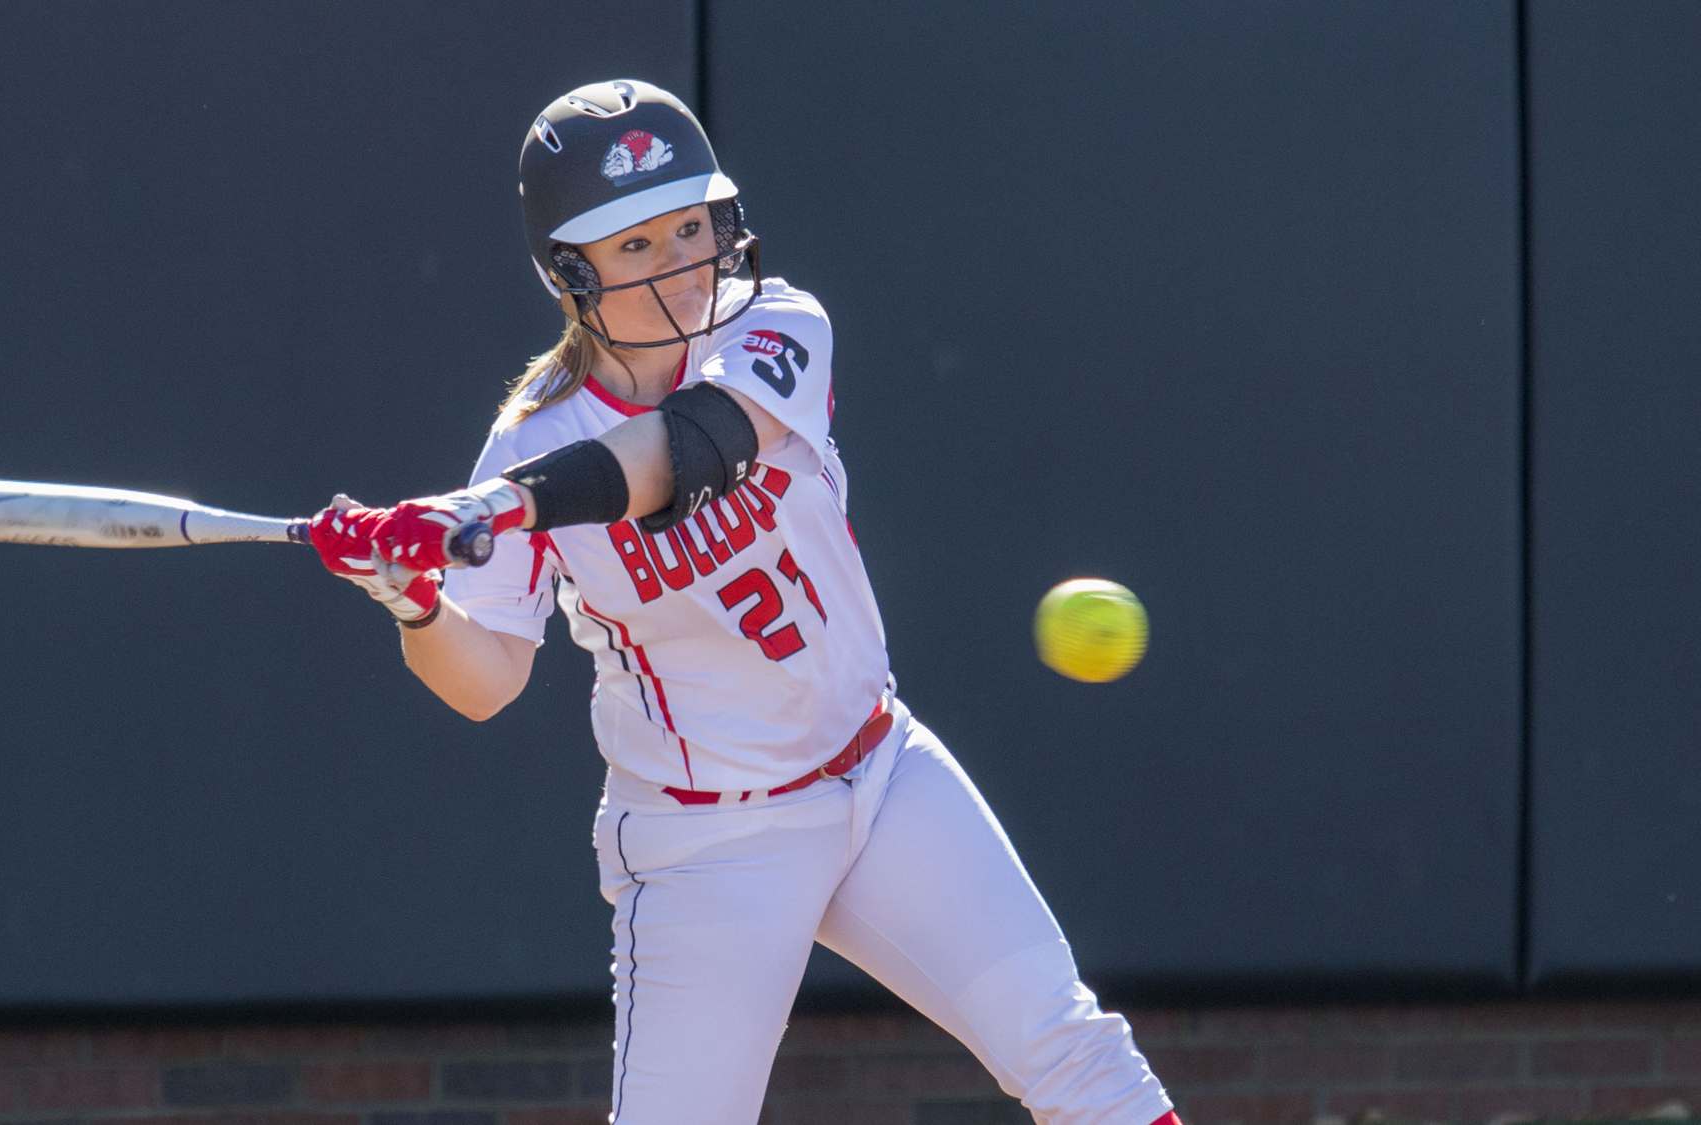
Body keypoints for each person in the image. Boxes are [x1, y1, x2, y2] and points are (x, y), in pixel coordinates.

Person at [310, 79, 1181, 1125]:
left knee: (1071, 1049)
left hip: (880, 772)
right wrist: (412, 599)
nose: (680, 264)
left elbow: (684, 450)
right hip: (705, 840)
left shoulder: (775, 325)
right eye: (634, 247)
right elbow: (485, 681)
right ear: (566, 273)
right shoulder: (526, 442)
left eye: (689, 226)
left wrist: (499, 507)